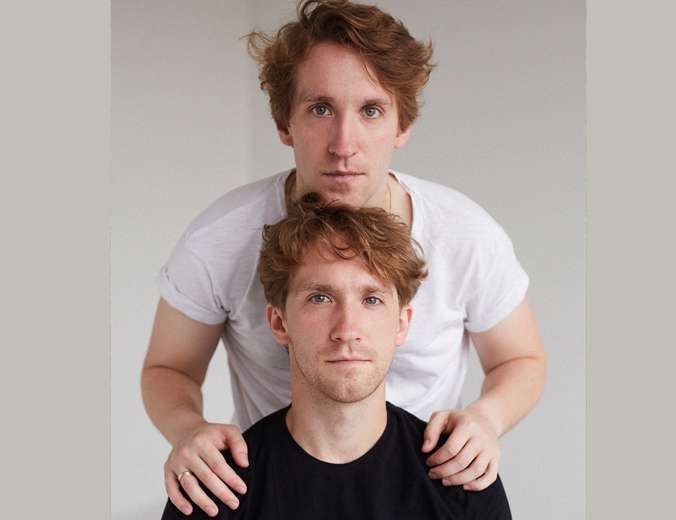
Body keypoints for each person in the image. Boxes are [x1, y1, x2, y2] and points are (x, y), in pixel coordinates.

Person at [142, 0, 546, 517]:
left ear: (402, 124)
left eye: (371, 110)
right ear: (284, 122)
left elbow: (520, 359)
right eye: (320, 109)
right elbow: (168, 367)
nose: (343, 144)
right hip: (272, 490)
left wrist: (487, 419)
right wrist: (188, 431)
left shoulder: (466, 237)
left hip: (425, 490)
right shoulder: (219, 240)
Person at [161, 194, 512, 519]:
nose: (347, 329)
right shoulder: (215, 487)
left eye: (371, 299)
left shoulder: (462, 479)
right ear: (279, 322)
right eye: (320, 298)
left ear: (402, 324)